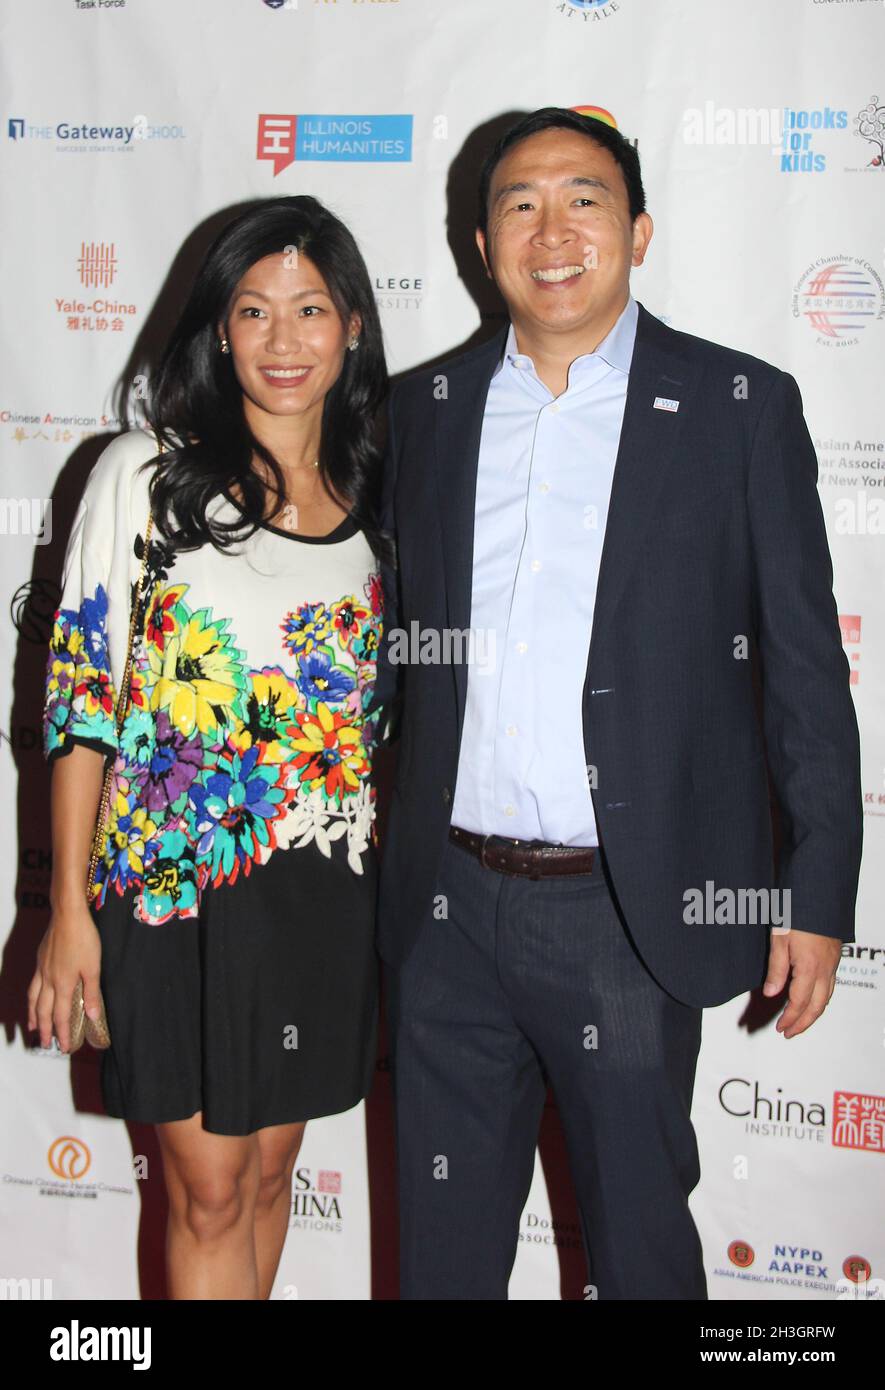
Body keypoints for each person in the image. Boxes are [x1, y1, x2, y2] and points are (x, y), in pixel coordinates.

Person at [375, 108, 863, 1299]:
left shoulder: (739, 407)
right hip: (444, 912)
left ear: (638, 231)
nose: (551, 232)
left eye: (583, 200)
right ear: (482, 244)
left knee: (641, 1254)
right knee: (439, 1263)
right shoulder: (417, 411)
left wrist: (815, 889)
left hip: (626, 917)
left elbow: (804, 666)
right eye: (520, 205)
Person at [28, 195, 391, 1299]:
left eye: (311, 308)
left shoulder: (382, 499)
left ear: (353, 327)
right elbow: (82, 702)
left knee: (273, 1174)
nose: (284, 339)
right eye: (253, 310)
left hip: (323, 888)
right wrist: (68, 911)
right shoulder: (147, 476)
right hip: (173, 892)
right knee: (210, 1192)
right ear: (219, 330)